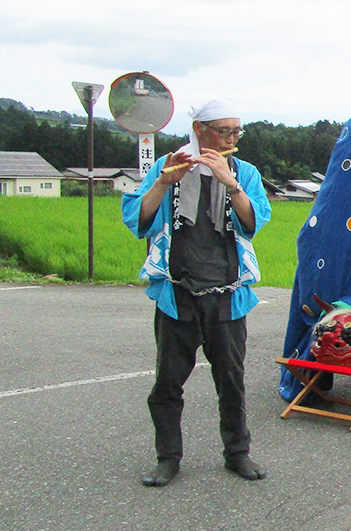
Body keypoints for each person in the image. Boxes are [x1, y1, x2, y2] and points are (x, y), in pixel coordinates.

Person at [123, 100, 271, 487]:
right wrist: (162, 183)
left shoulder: (244, 172)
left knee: (231, 381)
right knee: (167, 383)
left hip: (227, 296)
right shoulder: (169, 166)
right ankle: (168, 458)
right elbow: (138, 219)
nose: (232, 138)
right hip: (178, 295)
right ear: (199, 129)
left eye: (237, 131)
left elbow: (254, 220)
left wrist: (230, 183)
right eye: (224, 131)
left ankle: (237, 453)